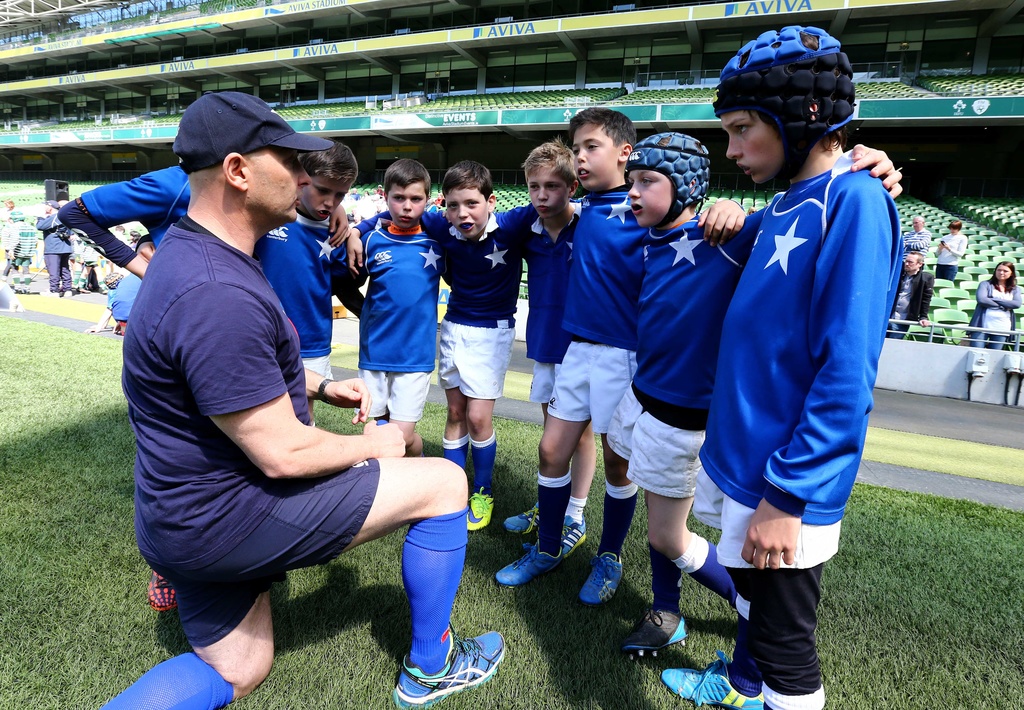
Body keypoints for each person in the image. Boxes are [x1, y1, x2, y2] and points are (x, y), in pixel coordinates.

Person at [101, 91, 505, 710]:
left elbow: (218, 381)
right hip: (227, 517)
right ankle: (432, 666)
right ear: (238, 171)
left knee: (240, 669)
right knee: (444, 483)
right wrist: (382, 441)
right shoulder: (216, 289)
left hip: (179, 519)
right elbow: (283, 455)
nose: (304, 176)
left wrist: (318, 386)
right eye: (289, 161)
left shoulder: (195, 251)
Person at [662, 26, 902, 710]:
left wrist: (790, 494)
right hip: (752, 465)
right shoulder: (787, 204)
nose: (732, 150)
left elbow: (846, 373)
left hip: (784, 483)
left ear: (806, 116)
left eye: (742, 130)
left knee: (787, 652)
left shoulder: (854, 201)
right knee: (759, 626)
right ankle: (739, 686)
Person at [495, 107, 745, 604]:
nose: (579, 157)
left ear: (625, 153)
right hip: (576, 350)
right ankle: (548, 546)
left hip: (624, 357)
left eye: (590, 146)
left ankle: (609, 556)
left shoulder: (646, 212)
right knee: (550, 450)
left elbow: (691, 220)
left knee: (617, 466)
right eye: (576, 147)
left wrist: (729, 207)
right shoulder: (576, 207)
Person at [607, 133, 753, 658]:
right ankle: (667, 611)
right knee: (655, 516)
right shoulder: (650, 236)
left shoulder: (725, 237)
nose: (634, 192)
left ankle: (756, 609)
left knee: (670, 536)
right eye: (632, 181)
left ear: (688, 185)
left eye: (648, 181)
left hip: (682, 416)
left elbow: (802, 206)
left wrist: (732, 206)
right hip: (641, 395)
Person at [348, 160, 539, 530]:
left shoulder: (512, 225)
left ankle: (481, 491)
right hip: (452, 327)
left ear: (491, 201)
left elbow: (553, 197)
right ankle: (450, 490)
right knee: (454, 414)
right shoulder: (440, 222)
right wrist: (358, 229)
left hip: (492, 332)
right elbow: (397, 209)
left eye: (471, 203)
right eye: (453, 205)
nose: (462, 213)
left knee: (479, 417)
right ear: (443, 205)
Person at [502, 139, 597, 557]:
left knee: (582, 437)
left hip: (583, 349)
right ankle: (549, 504)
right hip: (543, 344)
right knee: (552, 436)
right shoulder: (527, 229)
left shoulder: (592, 225)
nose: (542, 195)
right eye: (534, 187)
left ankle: (575, 512)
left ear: (572, 188)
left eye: (553, 186)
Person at [254, 139, 358, 415]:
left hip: (311, 341)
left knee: (302, 416)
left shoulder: (338, 233)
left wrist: (355, 232)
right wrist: (147, 237)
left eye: (340, 196)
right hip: (261, 336)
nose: (330, 202)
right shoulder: (268, 214)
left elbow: (340, 284)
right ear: (301, 178)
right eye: (323, 190)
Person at [354, 158, 443, 457]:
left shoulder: (438, 241)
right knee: (377, 435)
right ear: (384, 196)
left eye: (416, 199)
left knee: (400, 439)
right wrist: (364, 312)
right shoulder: (370, 241)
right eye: (399, 198)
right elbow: (344, 284)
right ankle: (390, 491)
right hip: (374, 354)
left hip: (415, 358)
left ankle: (417, 465)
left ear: (428, 200)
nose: (407, 206)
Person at [968, 261, 1021, 349]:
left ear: (1011, 273)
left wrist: (992, 299)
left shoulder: (1015, 289)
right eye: (999, 270)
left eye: (1005, 271)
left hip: (1002, 327)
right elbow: (982, 299)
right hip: (982, 326)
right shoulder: (985, 284)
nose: (1001, 273)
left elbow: (1017, 304)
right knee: (976, 353)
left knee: (994, 356)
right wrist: (1003, 305)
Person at [887, 251, 934, 339]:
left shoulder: (926, 278)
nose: (907, 264)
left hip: (902, 320)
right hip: (887, 317)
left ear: (920, 264)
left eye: (910, 262)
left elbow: (926, 299)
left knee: (893, 346)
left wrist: (923, 317)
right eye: (906, 261)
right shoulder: (897, 274)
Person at [37, 199, 74, 296]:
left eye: (45, 205)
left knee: (53, 270)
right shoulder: (64, 217)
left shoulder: (55, 217)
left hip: (53, 247)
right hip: (65, 247)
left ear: (50, 207)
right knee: (64, 269)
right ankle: (67, 289)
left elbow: (40, 226)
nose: (44, 208)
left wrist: (40, 217)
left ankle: (54, 290)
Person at [7, 210, 38, 294]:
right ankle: (27, 288)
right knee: (26, 270)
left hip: (18, 251)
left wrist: (11, 250)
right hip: (28, 252)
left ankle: (17, 288)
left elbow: (15, 239)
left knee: (14, 268)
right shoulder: (30, 227)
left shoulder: (14, 227)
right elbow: (35, 240)